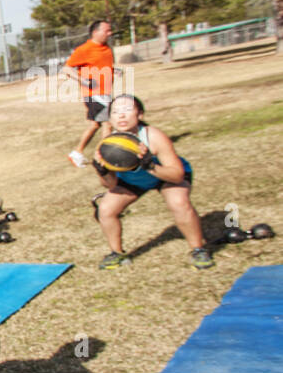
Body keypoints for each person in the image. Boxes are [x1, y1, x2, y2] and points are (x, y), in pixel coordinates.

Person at [89, 94, 214, 270]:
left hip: (166, 175)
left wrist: (149, 166)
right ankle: (117, 253)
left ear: (140, 115)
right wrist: (101, 170)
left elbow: (177, 175)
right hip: (134, 181)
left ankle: (198, 249)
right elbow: (110, 185)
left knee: (178, 202)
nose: (121, 116)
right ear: (110, 119)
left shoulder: (153, 136)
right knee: (106, 209)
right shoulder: (108, 145)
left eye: (127, 110)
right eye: (116, 112)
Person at [63, 20, 114, 168]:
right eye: (107, 31)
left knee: (95, 124)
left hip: (105, 92)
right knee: (108, 124)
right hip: (94, 93)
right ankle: (104, 157)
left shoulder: (107, 48)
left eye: (110, 30)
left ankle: (77, 153)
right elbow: (67, 69)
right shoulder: (84, 49)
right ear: (95, 32)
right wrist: (85, 81)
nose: (110, 34)